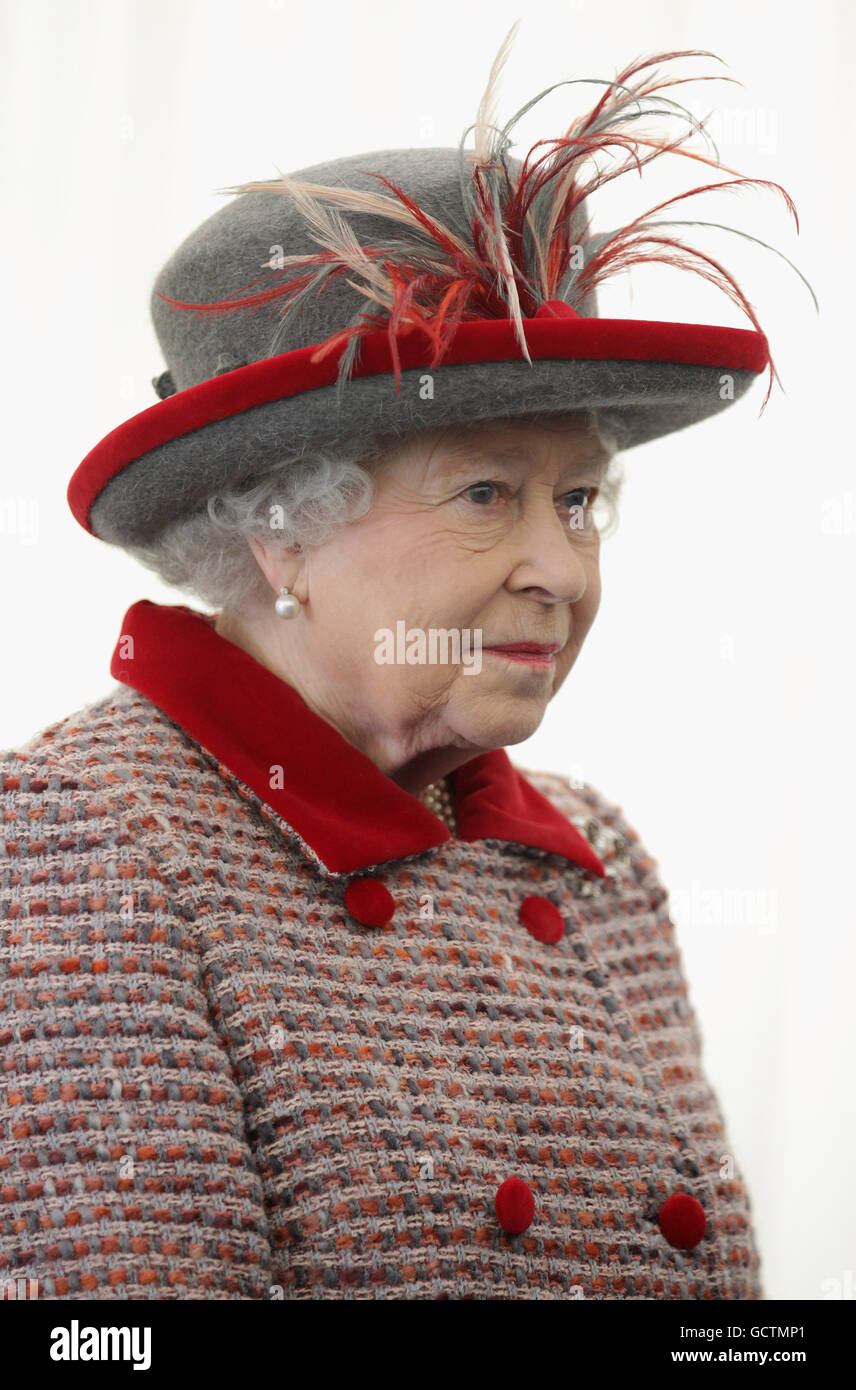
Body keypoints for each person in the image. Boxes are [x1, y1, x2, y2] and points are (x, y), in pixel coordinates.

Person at [0, 31, 809, 1300]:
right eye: (487, 494)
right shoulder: (86, 844)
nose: (563, 568)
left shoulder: (596, 864)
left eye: (581, 499)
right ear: (283, 531)